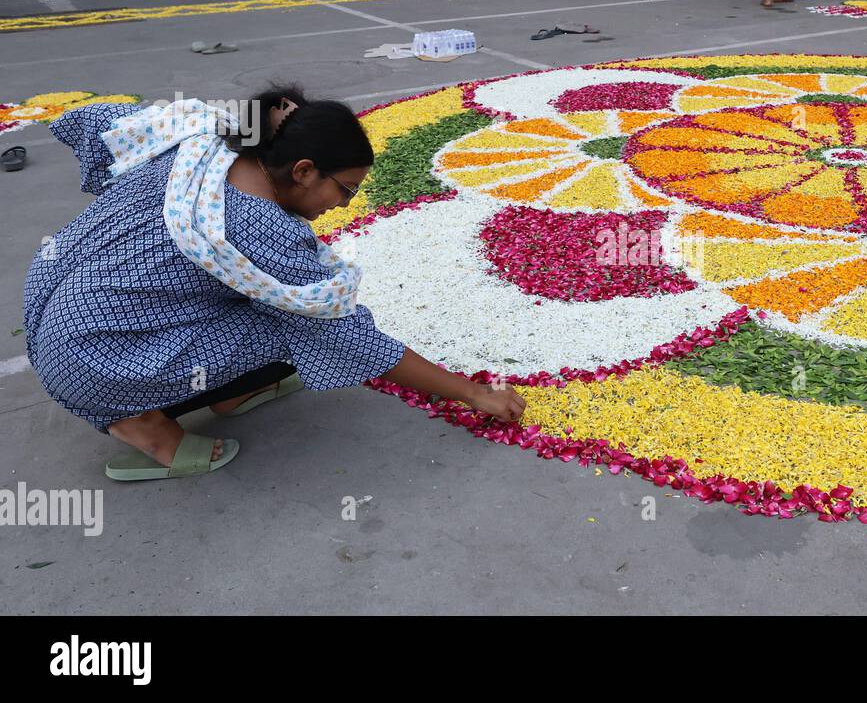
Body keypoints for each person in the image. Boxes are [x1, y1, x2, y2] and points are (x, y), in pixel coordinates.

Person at [25, 88, 525, 481]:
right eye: (344, 188)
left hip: (50, 313)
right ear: (304, 170)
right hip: (92, 362)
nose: (346, 204)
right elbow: (345, 333)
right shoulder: (263, 228)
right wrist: (469, 393)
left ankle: (231, 392)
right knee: (302, 323)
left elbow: (95, 119)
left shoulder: (195, 141)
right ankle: (144, 428)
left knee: (276, 307)